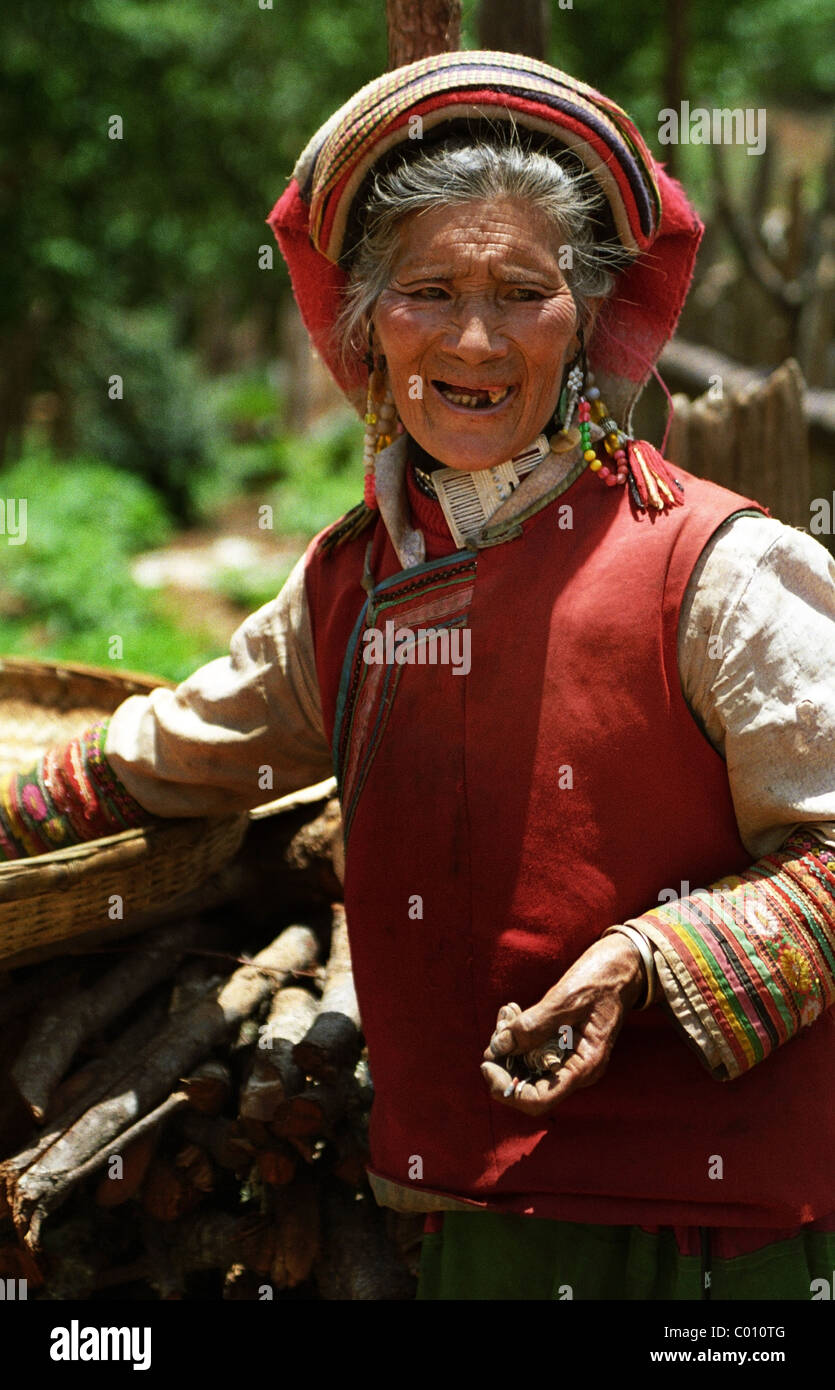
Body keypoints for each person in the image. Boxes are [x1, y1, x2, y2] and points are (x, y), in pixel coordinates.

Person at [2, 51, 834, 1300]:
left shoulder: (717, 567)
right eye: (425, 291)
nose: (474, 338)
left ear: (588, 317)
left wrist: (653, 958)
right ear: (364, 322)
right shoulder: (349, 586)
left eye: (523, 291)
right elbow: (171, 752)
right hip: (460, 1210)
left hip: (709, 1237)